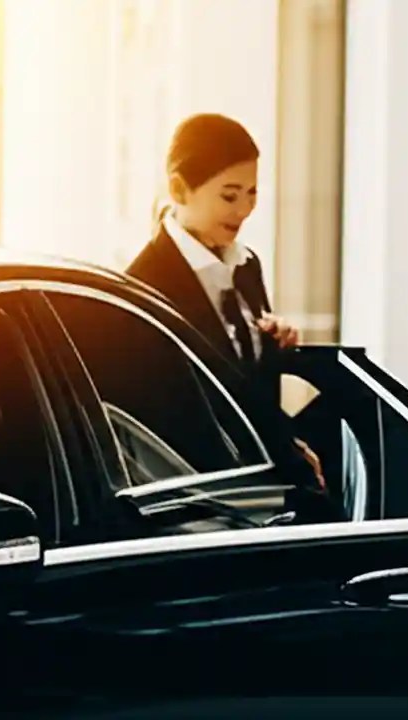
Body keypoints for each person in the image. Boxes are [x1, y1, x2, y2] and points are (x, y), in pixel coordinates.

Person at [126, 112, 324, 490]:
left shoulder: (246, 266)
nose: (244, 209)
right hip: (203, 491)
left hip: (264, 481)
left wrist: (273, 344)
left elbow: (249, 384)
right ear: (179, 189)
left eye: (252, 193)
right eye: (229, 195)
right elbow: (166, 413)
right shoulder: (144, 286)